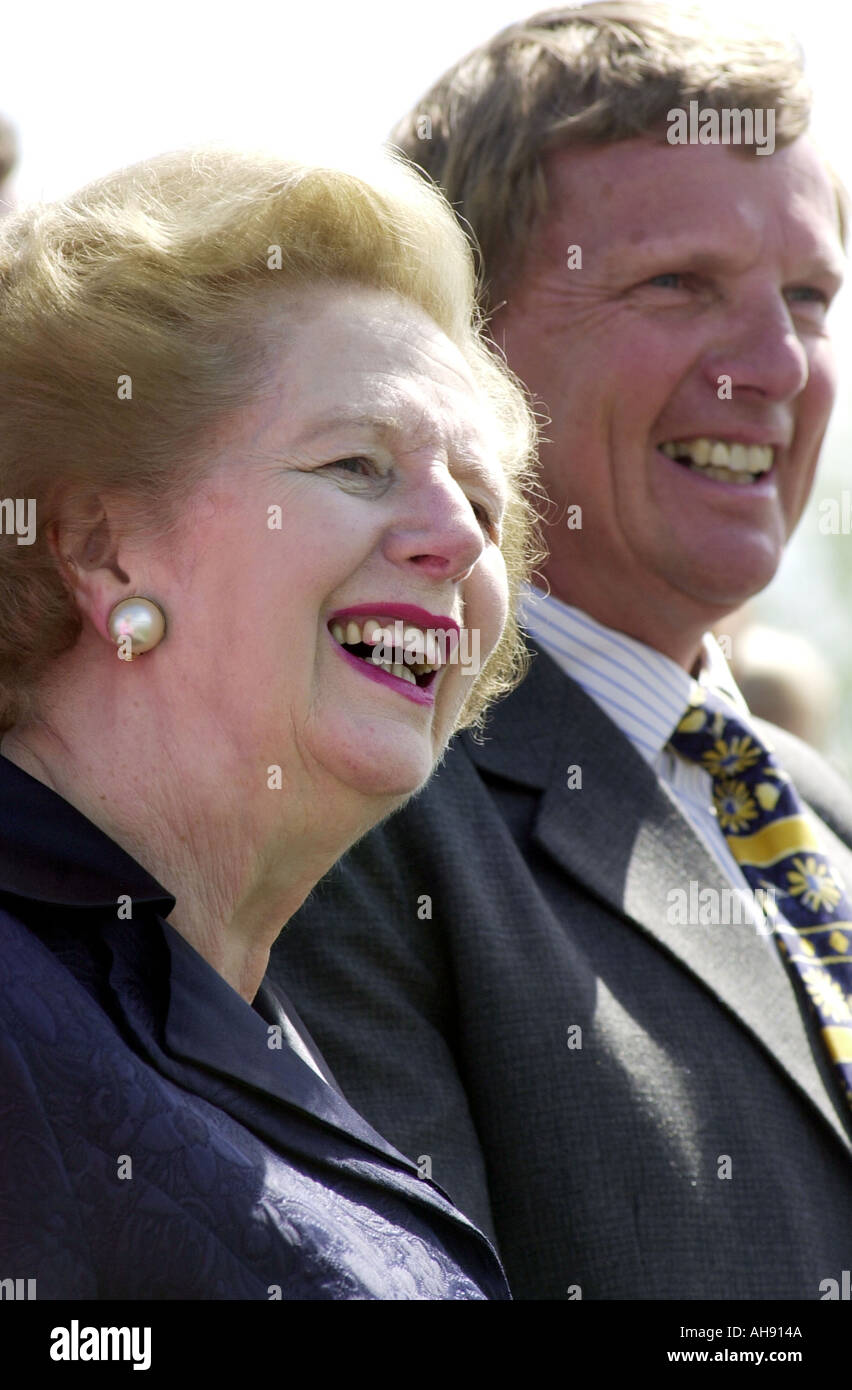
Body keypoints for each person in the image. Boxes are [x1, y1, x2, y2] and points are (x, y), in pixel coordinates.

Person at [270, 4, 852, 1300]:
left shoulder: (822, 819)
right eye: (677, 284)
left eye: (810, 295)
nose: (777, 363)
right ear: (458, 340)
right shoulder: (360, 808)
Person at [0, 144, 539, 1299]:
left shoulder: (243, 1022)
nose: (459, 540)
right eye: (358, 463)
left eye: (484, 502)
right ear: (101, 544)